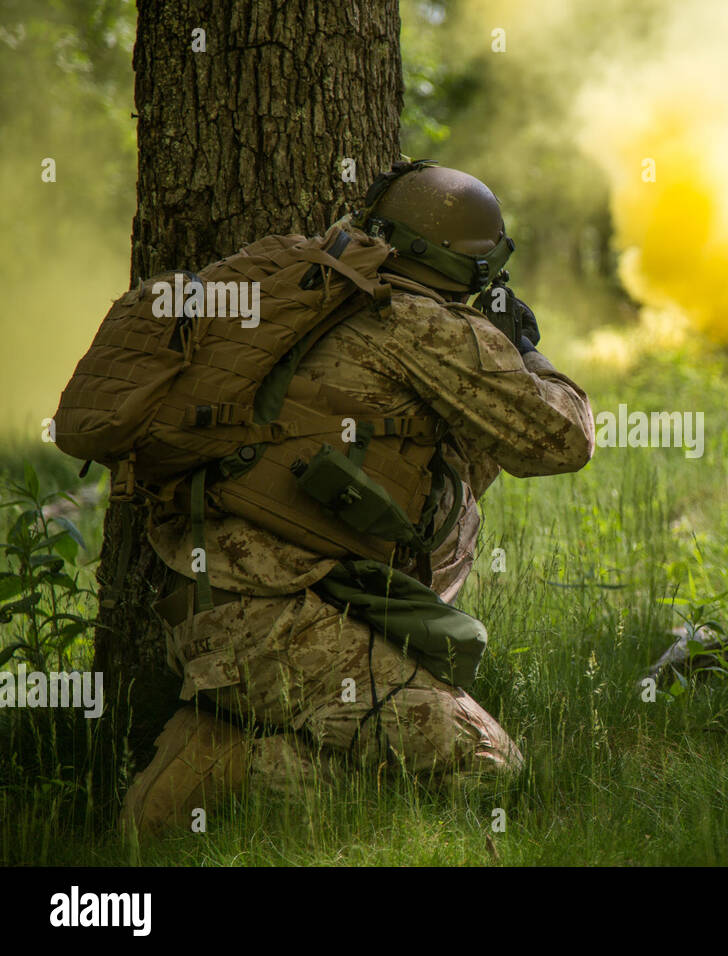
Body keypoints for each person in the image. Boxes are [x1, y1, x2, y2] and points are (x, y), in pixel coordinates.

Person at [120, 162, 595, 835]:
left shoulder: (303, 285)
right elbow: (561, 441)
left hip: (212, 604)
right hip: (281, 625)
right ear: (460, 263)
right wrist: (525, 353)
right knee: (490, 770)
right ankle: (238, 765)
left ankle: (226, 723)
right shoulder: (424, 328)